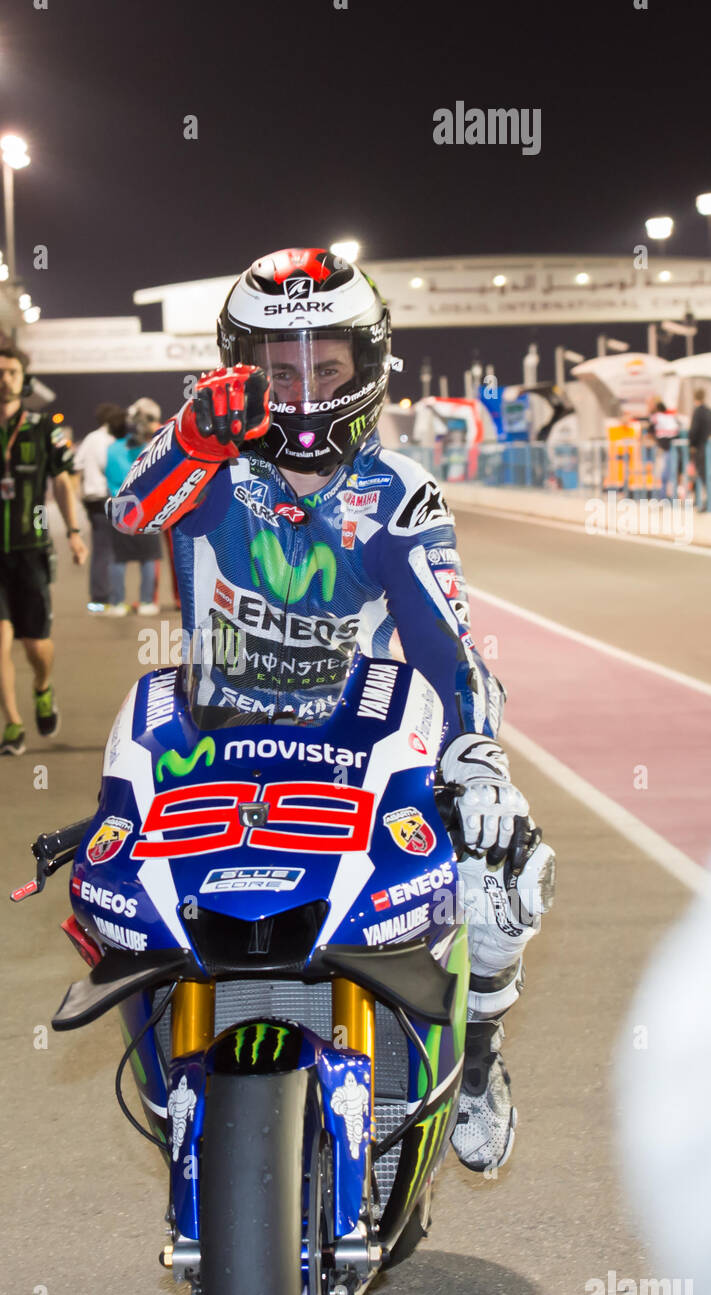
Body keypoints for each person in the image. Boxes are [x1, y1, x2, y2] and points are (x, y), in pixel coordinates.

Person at [109, 247, 555, 1173]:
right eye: (279, 368)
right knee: (120, 897)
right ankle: (174, 1085)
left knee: (504, 869)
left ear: (369, 365)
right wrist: (194, 432)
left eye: (326, 366)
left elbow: (445, 645)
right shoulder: (209, 468)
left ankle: (472, 1066)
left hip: (355, 742)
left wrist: (476, 762)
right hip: (212, 738)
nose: (304, 389)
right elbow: (127, 510)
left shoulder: (400, 492)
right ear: (239, 367)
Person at [0, 345, 88, 755]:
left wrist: (74, 531)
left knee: (35, 642)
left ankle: (42, 687)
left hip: (33, 547)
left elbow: (62, 481)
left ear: (23, 381)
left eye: (11, 373)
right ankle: (12, 724)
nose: (3, 379)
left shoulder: (44, 428)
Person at [104, 399, 163, 615]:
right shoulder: (152, 449)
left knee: (118, 558)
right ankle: (147, 602)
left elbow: (109, 476)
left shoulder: (112, 449)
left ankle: (117, 603)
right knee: (148, 557)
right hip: (146, 507)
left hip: (118, 506)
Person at [73, 403, 126, 612]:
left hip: (91, 499)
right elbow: (112, 468)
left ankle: (98, 597)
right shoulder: (111, 441)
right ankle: (108, 596)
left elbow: (76, 465)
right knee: (111, 550)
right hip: (108, 497)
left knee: (100, 548)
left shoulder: (90, 438)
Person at [687, 387, 711, 511]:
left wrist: (691, 445)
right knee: (706, 474)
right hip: (707, 446)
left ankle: (705, 503)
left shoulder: (697, 411)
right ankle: (703, 502)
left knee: (702, 475)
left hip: (699, 447)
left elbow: (694, 430)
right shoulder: (708, 411)